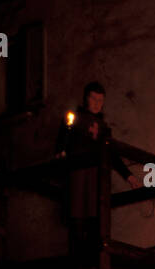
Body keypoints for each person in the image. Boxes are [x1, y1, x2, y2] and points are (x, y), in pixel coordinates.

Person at [56, 81, 142, 254]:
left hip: (95, 181)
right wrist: (61, 152)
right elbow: (62, 142)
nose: (96, 103)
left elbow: (112, 155)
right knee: (77, 221)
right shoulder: (75, 119)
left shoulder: (103, 127)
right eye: (93, 98)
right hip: (78, 178)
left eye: (100, 100)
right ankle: (77, 265)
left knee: (96, 221)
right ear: (86, 98)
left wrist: (129, 176)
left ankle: (93, 263)